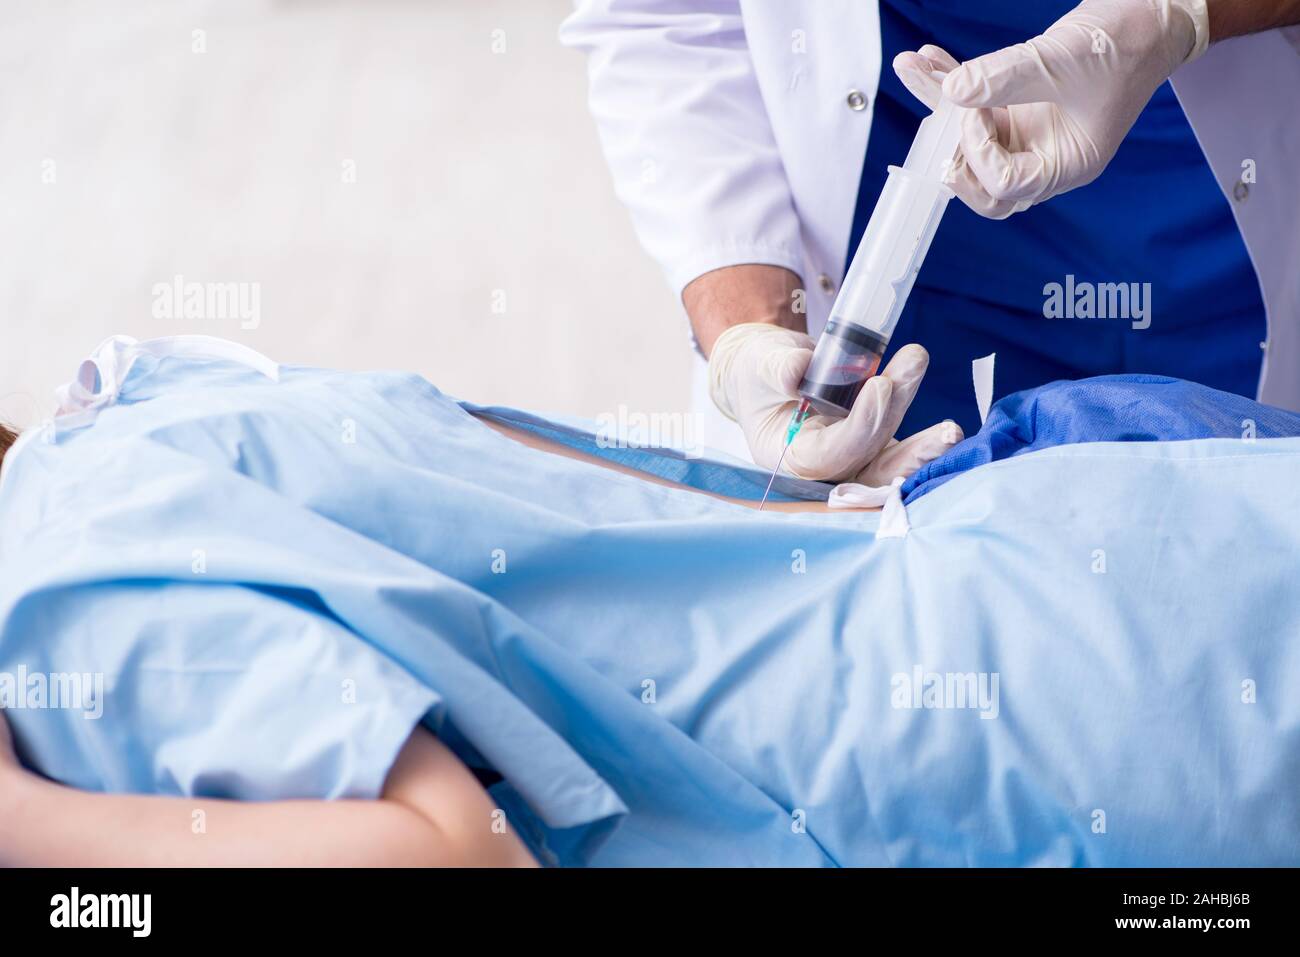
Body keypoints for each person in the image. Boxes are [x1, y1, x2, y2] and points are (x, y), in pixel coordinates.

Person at [2, 336, 1300, 866]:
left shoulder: (56, 607)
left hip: (998, 752)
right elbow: (535, 464)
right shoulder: (132, 407)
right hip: (1058, 535)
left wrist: (30, 827)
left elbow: (438, 847)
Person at [560, 0, 1300, 478]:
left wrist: (1179, 16)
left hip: (1220, 250)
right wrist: (748, 338)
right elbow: (669, 22)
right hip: (887, 278)